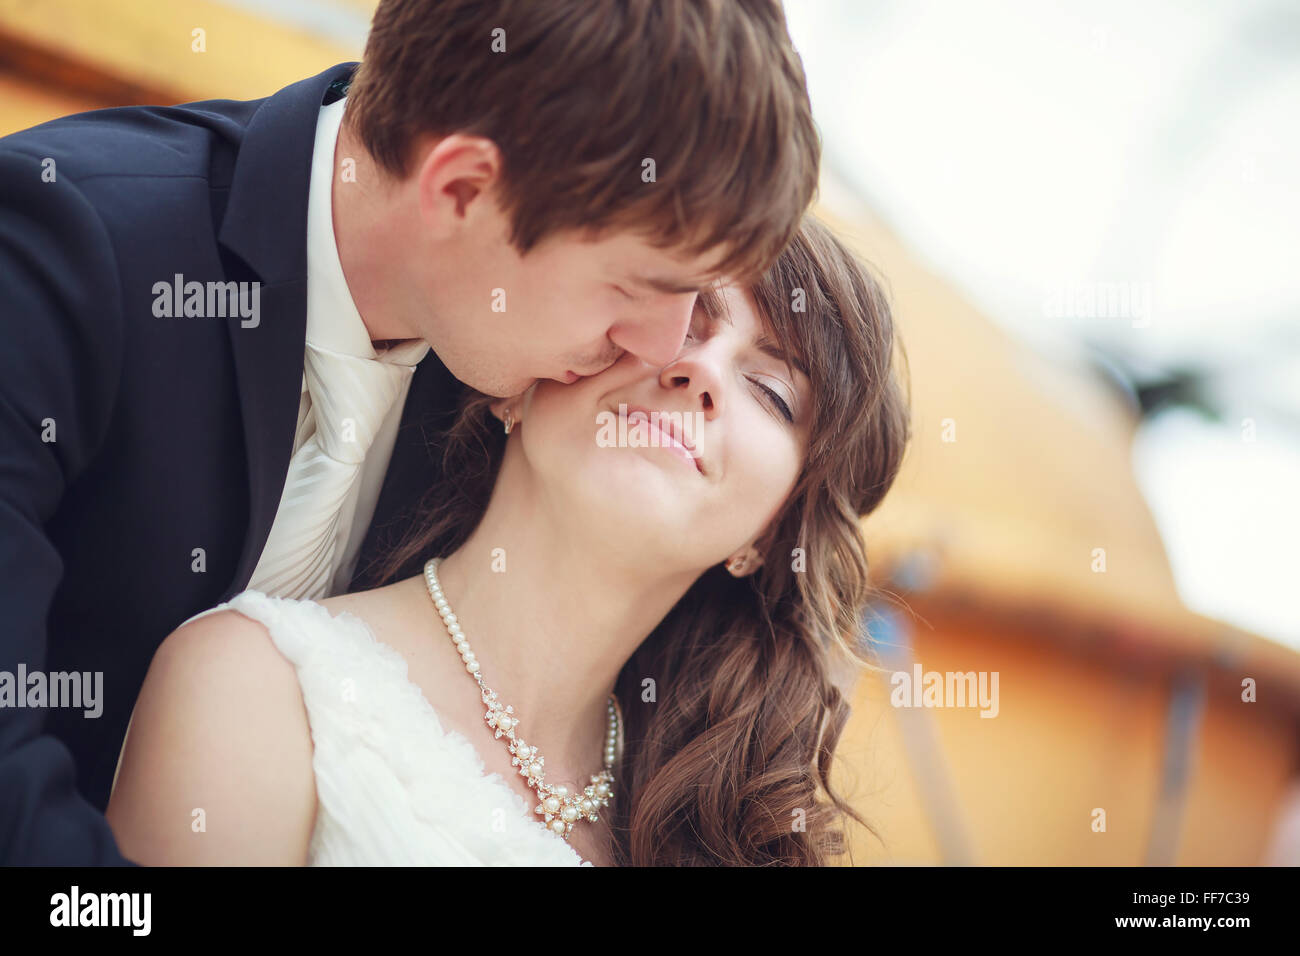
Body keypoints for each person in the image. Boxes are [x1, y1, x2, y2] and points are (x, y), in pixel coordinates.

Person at [0, 0, 820, 864]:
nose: (661, 347)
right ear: (461, 190)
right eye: (638, 287)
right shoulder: (62, 250)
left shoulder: (508, 384)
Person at [106, 216, 912, 866]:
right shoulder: (260, 686)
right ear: (519, 392)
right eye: (677, 322)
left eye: (769, 390)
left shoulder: (723, 825)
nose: (700, 371)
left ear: (766, 538)